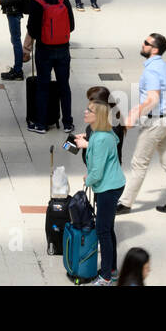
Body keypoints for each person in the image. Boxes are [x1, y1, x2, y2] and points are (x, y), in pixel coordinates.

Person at [116, 32, 166, 216]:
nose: (142, 44)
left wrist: (133, 115)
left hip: (156, 122)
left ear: (155, 49)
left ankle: (125, 203)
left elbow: (153, 99)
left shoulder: (152, 70)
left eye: (146, 43)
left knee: (139, 162)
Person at [73, 100, 125, 284]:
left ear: (98, 116)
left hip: (108, 188)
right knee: (108, 228)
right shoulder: (102, 133)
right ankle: (111, 269)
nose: (85, 112)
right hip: (112, 184)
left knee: (103, 230)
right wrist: (88, 143)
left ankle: (105, 276)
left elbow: (98, 171)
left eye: (90, 110)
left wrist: (87, 180)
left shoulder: (101, 138)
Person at [26, 0, 75, 134]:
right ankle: (67, 123)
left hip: (44, 50)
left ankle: (41, 124)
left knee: (43, 86)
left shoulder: (37, 3)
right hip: (63, 50)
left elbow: (32, 30)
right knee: (64, 86)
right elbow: (72, 26)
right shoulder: (64, 1)